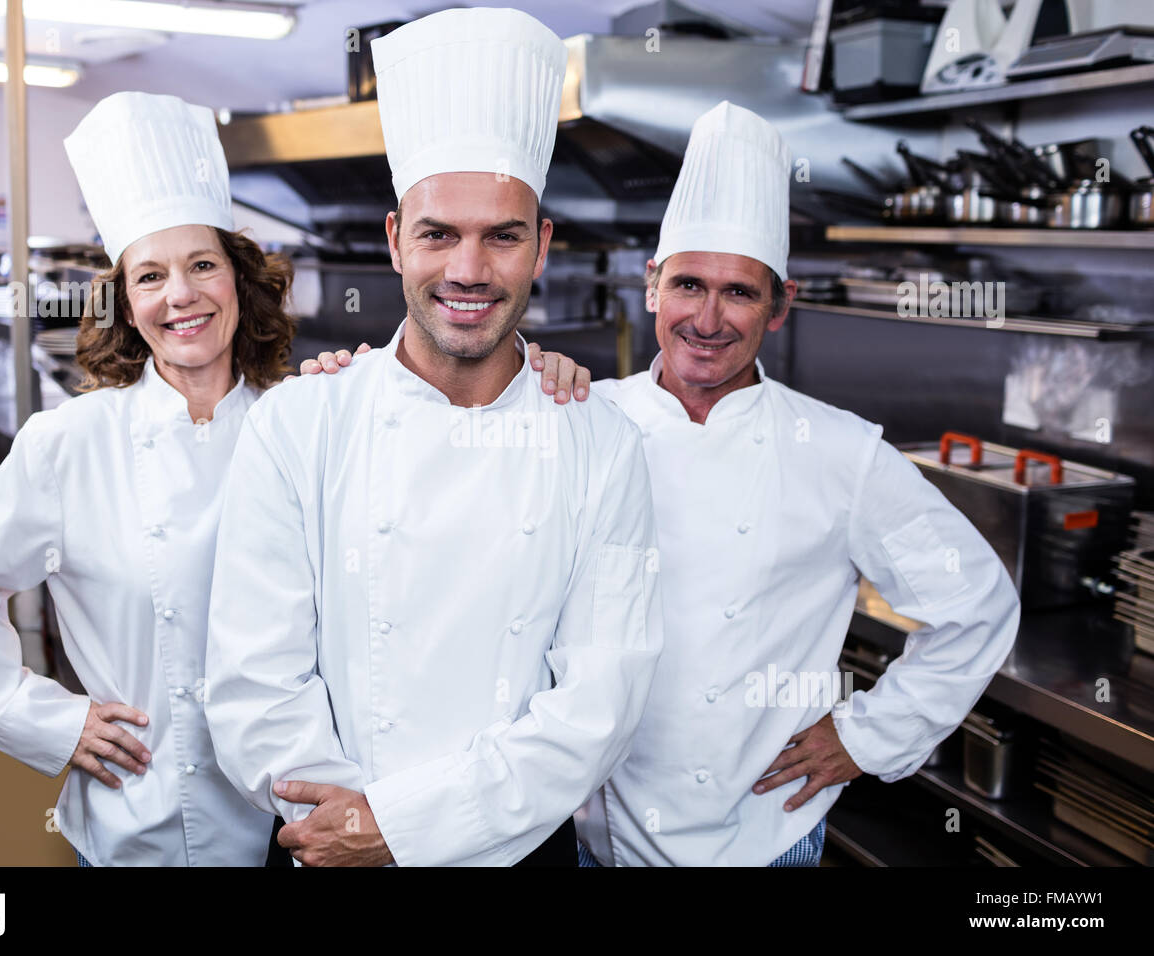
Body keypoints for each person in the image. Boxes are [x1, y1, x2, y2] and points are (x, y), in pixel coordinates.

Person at [307, 101, 1020, 867]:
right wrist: (356, 389)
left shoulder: (842, 453)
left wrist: (864, 736)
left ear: (780, 306)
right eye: (688, 285)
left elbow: (977, 602)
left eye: (740, 292)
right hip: (584, 833)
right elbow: (436, 496)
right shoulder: (582, 416)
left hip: (760, 837)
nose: (707, 319)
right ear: (651, 287)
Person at [203, 6, 663, 868]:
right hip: (324, 840)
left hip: (519, 851)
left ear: (542, 248)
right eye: (438, 233)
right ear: (393, 241)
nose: (468, 270)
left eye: (503, 237)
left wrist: (407, 827)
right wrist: (348, 825)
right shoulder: (299, 423)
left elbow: (602, 701)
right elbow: (253, 682)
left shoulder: (603, 442)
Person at [0, 91, 293, 865]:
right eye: (150, 276)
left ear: (239, 283)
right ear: (125, 303)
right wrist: (45, 719)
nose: (180, 294)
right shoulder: (71, 443)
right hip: (145, 827)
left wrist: (535, 370)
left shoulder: (298, 422)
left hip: (298, 826)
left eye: (202, 265)